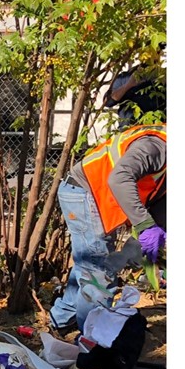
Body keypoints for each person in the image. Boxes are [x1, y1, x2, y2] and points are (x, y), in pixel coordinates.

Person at [49, 124, 166, 336]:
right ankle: (91, 345)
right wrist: (145, 225)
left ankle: (62, 320)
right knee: (98, 274)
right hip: (84, 192)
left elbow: (161, 202)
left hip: (91, 194)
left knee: (89, 265)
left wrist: (147, 237)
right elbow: (118, 178)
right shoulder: (155, 147)